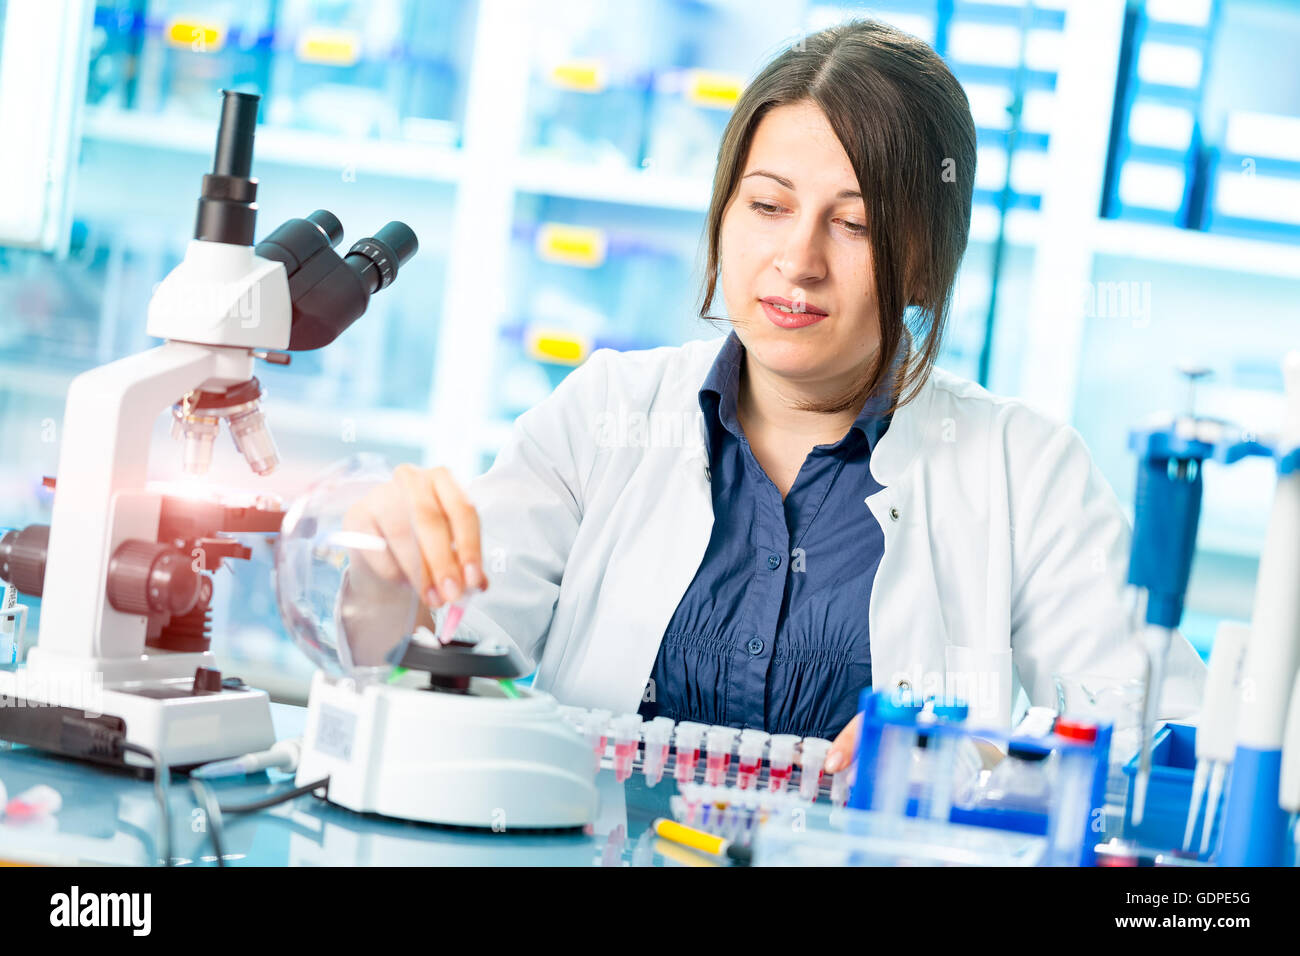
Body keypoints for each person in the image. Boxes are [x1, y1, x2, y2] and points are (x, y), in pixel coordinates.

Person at [342, 19, 1205, 774]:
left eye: (854, 223)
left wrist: (985, 759)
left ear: (929, 263)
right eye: (767, 205)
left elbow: (1162, 734)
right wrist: (389, 572)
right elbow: (442, 657)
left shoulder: (1026, 470)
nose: (798, 259)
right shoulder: (604, 415)